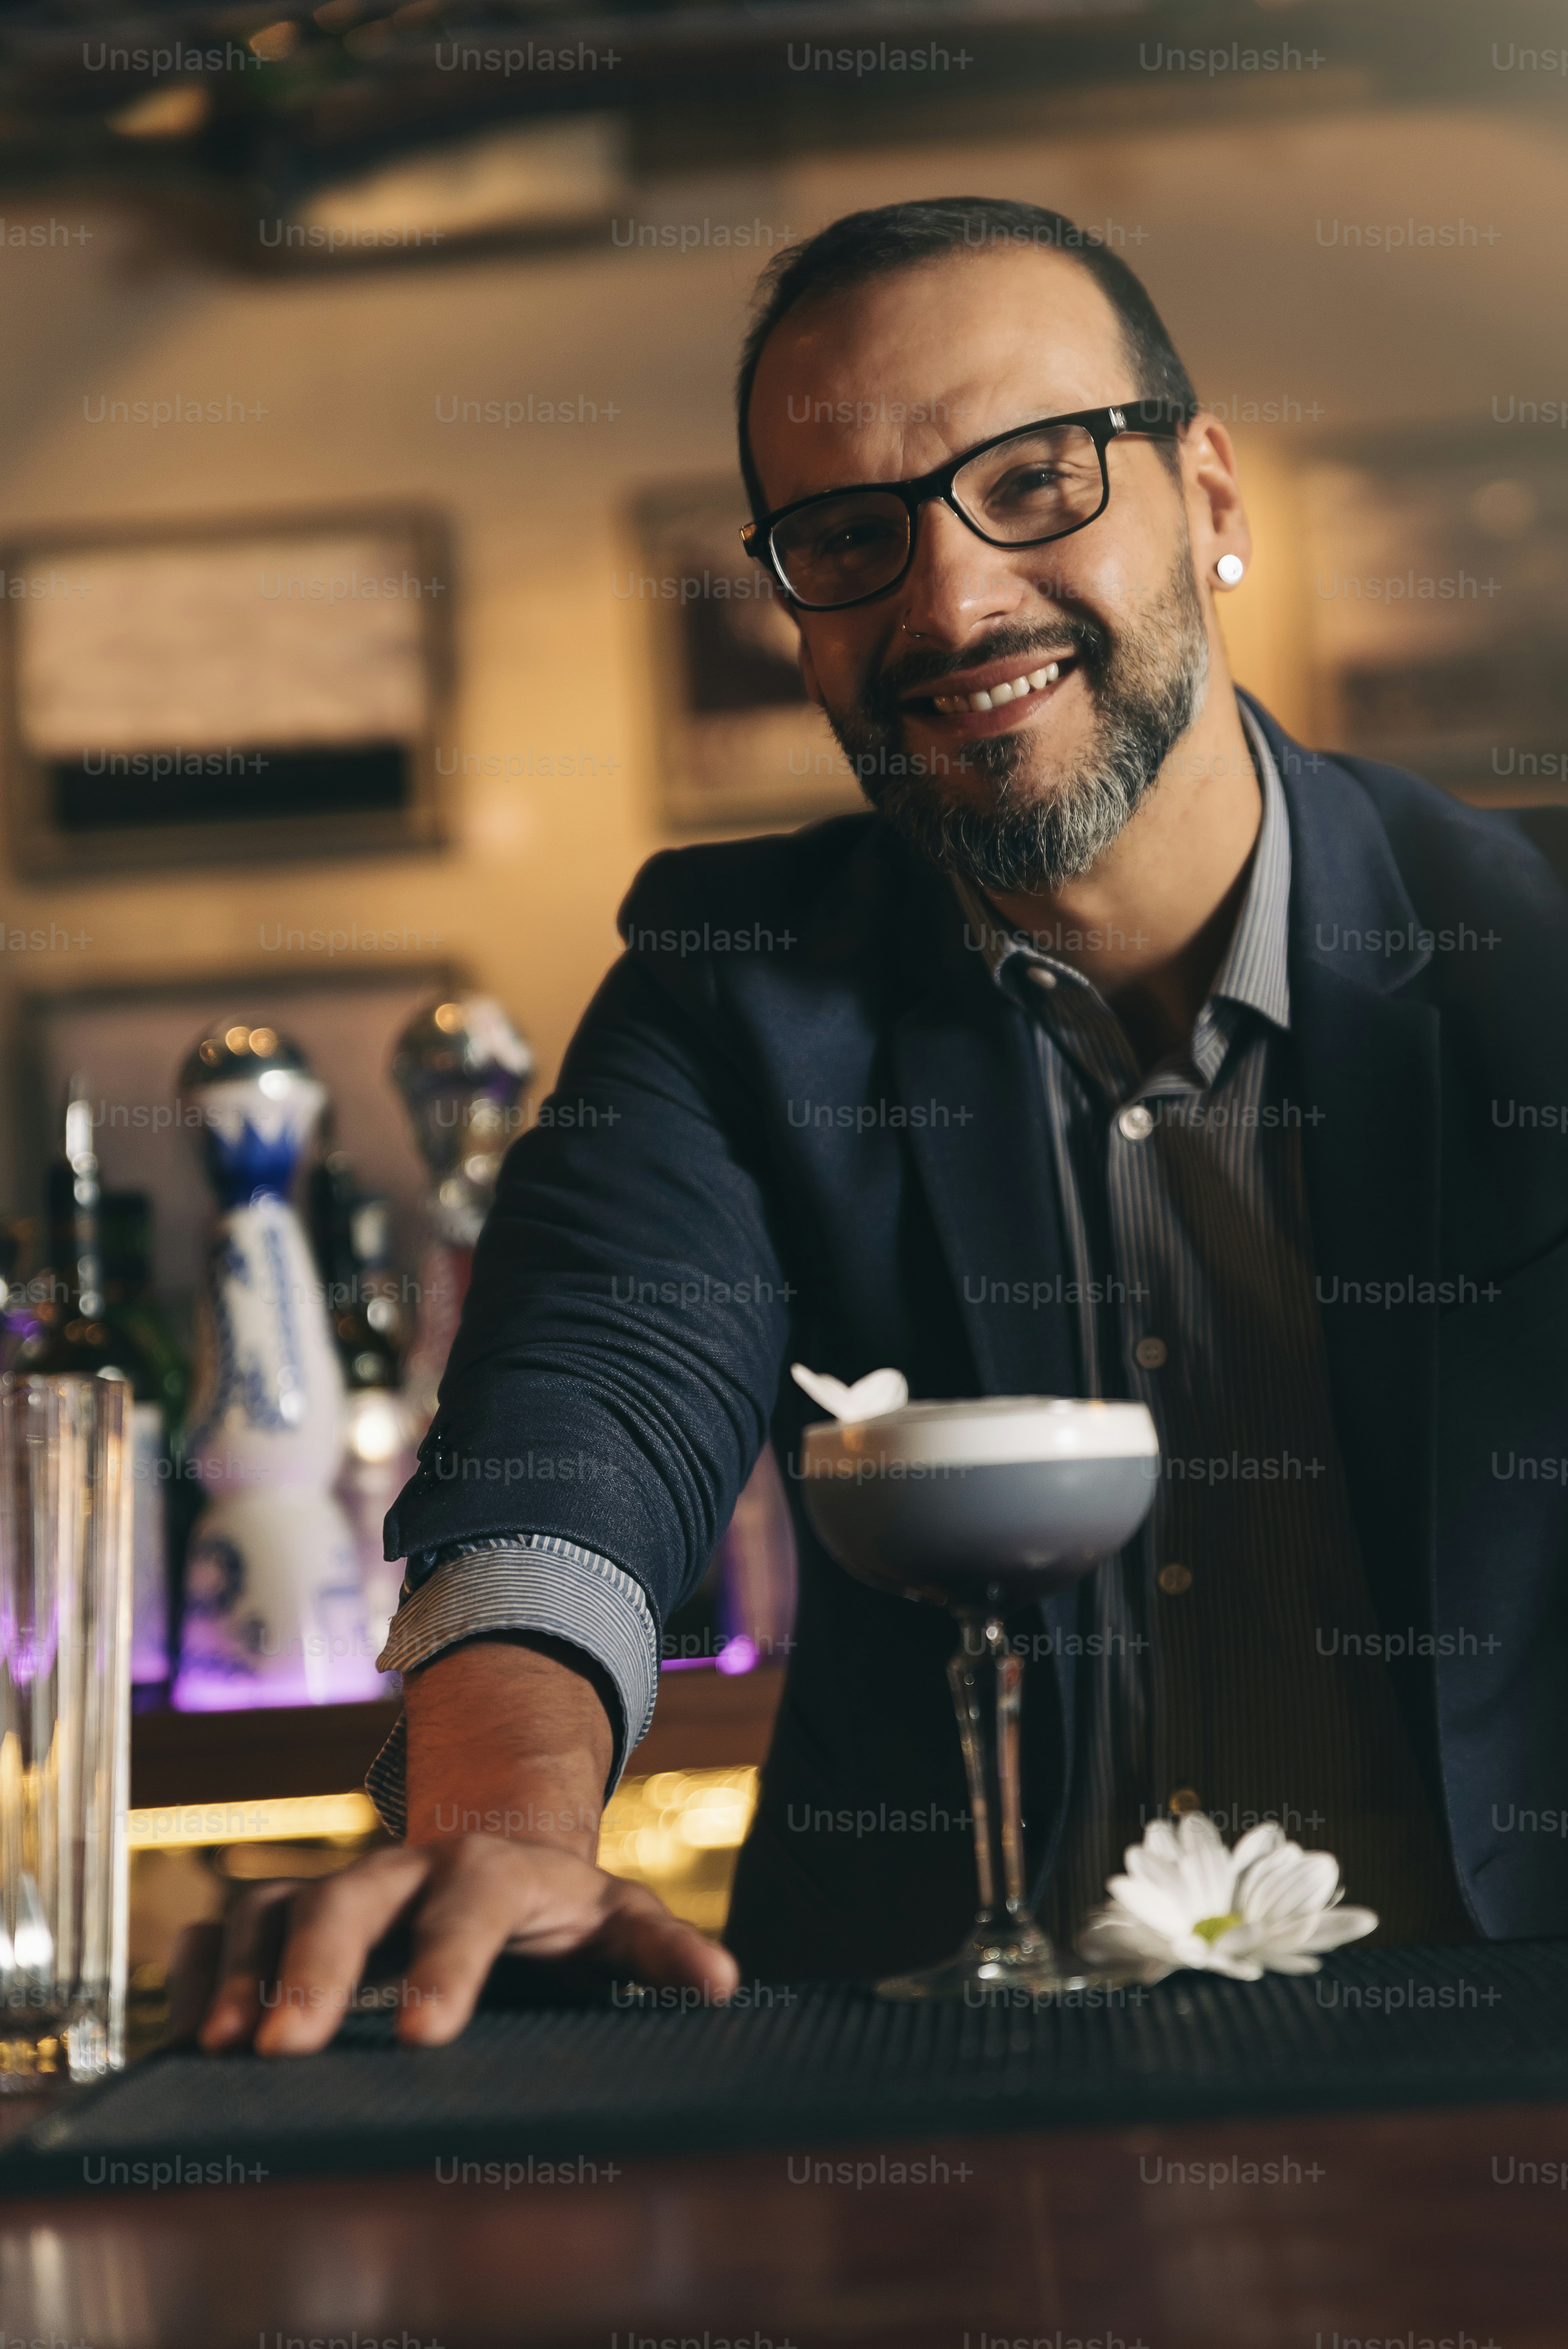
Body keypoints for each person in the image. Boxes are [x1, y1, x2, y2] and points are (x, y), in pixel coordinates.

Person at [196, 197, 1568, 2058]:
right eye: (849, 538)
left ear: (1211, 498)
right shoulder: (732, 980)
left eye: (1033, 481)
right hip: (938, 2112)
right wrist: (504, 1823)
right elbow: (578, 1418)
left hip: (1499, 2075)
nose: (949, 602)